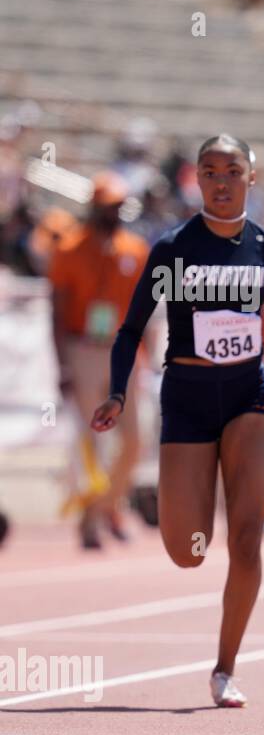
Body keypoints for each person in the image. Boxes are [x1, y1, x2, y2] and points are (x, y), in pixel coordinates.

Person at [91, 134, 264, 708]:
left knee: (247, 540)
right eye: (210, 171)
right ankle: (196, 534)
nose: (221, 181)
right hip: (188, 398)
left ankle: (225, 668)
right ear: (196, 178)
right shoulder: (173, 248)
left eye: (233, 170)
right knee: (189, 550)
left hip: (249, 395)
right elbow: (128, 329)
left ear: (252, 175)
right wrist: (117, 392)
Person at [47, 172, 150, 547]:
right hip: (84, 347)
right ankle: (90, 521)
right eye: (109, 207)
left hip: (122, 348)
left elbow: (143, 305)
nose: (115, 214)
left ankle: (109, 504)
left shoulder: (134, 249)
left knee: (136, 438)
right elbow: (56, 310)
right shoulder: (71, 248)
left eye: (120, 206)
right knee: (93, 437)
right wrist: (61, 363)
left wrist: (147, 351)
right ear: (94, 206)